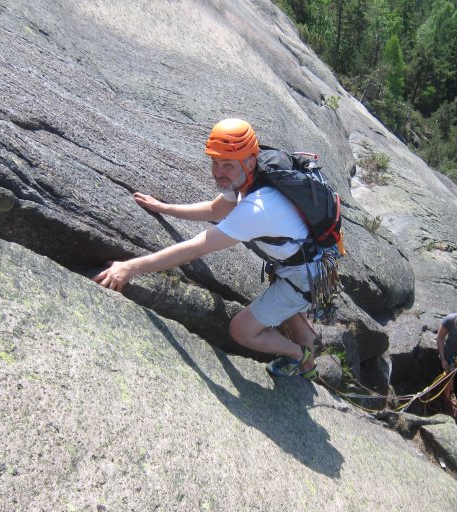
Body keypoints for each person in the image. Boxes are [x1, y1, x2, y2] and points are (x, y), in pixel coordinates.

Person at [93, 118, 320, 380]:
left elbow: (197, 248)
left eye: (226, 164)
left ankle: (299, 356)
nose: (217, 172)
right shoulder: (254, 172)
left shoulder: (259, 208)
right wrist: (164, 207)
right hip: (305, 260)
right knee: (294, 313)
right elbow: (216, 209)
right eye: (214, 162)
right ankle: (310, 368)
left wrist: (131, 267)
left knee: (241, 331)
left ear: (248, 161)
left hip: (303, 274)